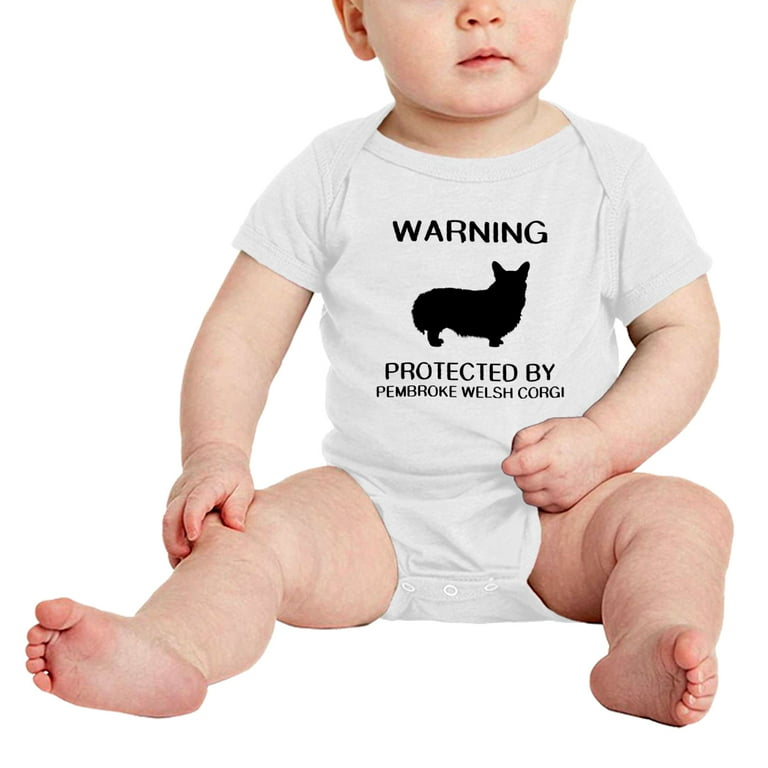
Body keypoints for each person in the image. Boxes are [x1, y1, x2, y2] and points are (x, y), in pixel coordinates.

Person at [25, 0, 732, 726]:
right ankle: (171, 646)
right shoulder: (333, 173)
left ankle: (647, 643)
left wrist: (605, 442)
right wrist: (214, 455)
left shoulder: (613, 174)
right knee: (246, 535)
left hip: (566, 519)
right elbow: (241, 333)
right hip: (367, 515)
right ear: (359, 23)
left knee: (686, 516)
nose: (481, 13)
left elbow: (682, 331)